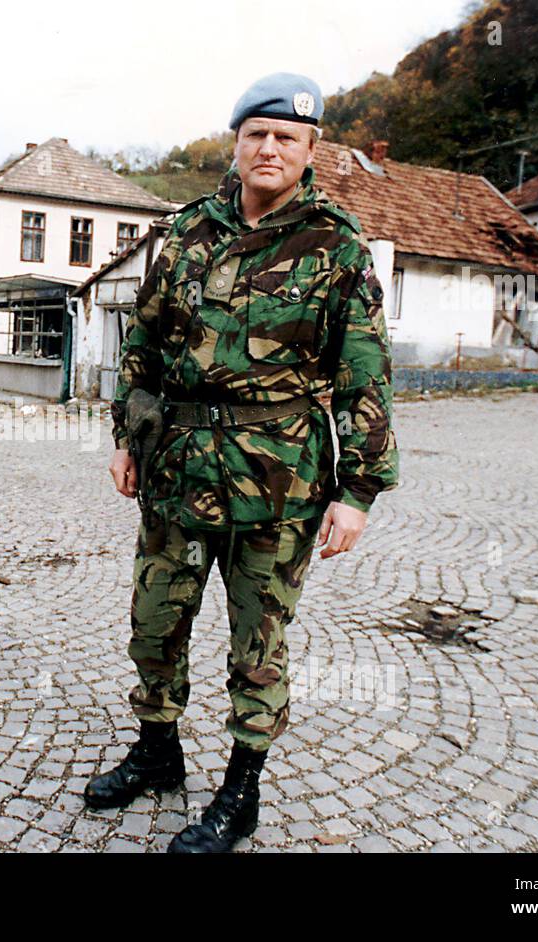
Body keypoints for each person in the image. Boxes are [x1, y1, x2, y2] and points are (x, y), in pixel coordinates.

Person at [85, 73, 400, 852]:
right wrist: (127, 435)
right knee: (154, 626)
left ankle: (242, 789)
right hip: (176, 470)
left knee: (258, 646)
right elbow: (144, 343)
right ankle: (157, 752)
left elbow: (366, 374)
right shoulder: (188, 231)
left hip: (280, 483)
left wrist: (357, 489)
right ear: (235, 141)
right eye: (256, 133)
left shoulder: (337, 244)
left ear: (309, 150)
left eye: (285, 137)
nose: (269, 148)